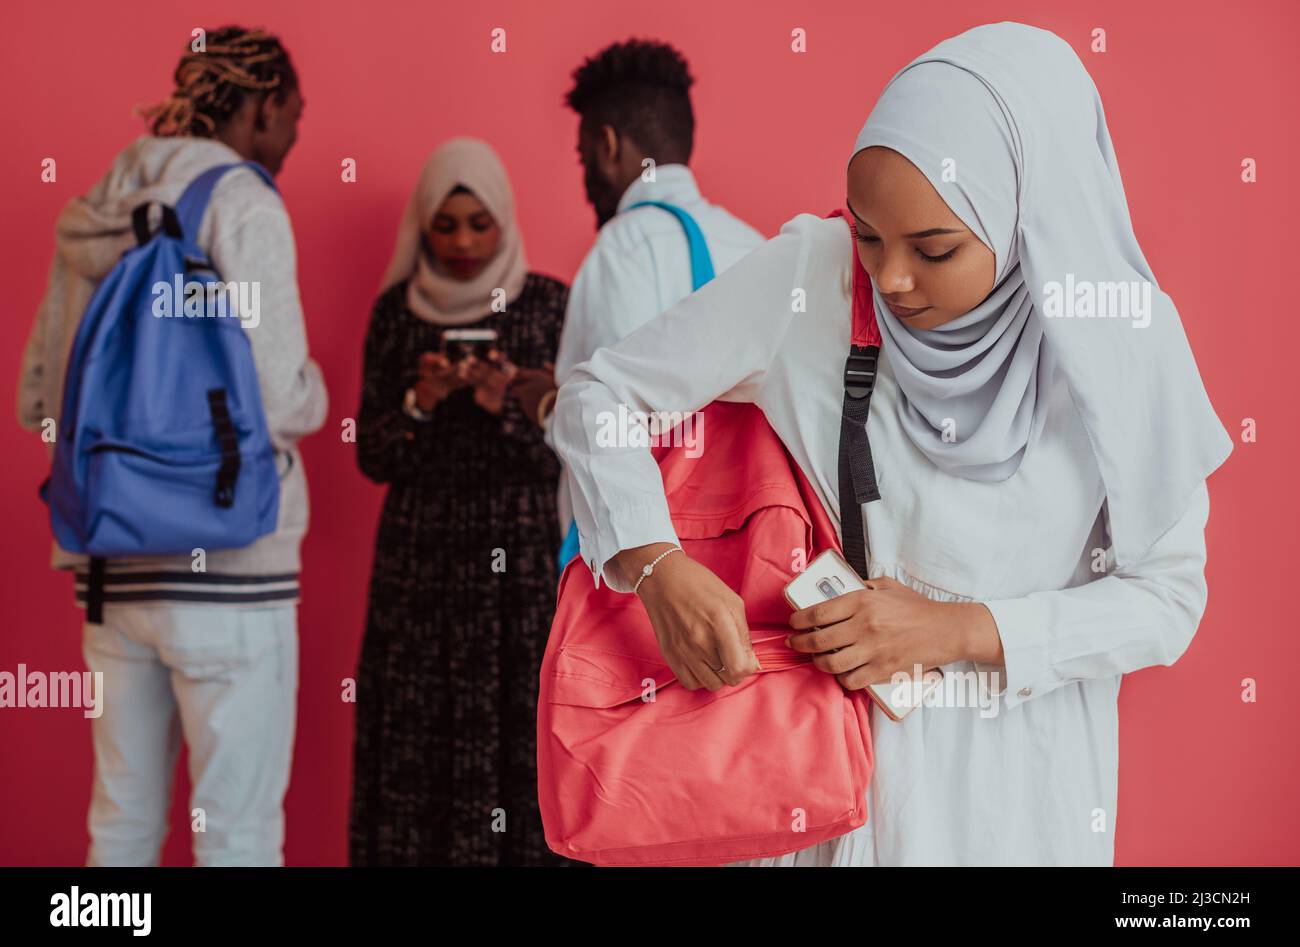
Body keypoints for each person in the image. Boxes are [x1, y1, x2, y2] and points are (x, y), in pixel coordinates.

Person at [550, 22, 1232, 866]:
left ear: (1026, 215)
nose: (892, 278)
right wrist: (654, 566)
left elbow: (1168, 603)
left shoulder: (1124, 338)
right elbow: (596, 396)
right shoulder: (816, 274)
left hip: (1027, 801)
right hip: (837, 788)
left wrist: (961, 630)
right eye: (871, 234)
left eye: (934, 248)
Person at [15, 27, 327, 866]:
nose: (295, 138)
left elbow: (38, 401)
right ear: (262, 108)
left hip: (111, 570)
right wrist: (318, 391)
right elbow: (276, 397)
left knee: (120, 821)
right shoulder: (245, 202)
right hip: (231, 569)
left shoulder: (91, 207)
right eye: (292, 116)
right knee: (236, 832)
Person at [349, 137, 573, 866]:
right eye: (445, 225)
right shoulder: (396, 314)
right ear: (422, 226)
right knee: (418, 745)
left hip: (520, 575)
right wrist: (421, 400)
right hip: (420, 572)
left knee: (519, 737)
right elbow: (372, 455)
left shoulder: (548, 304)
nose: (465, 242)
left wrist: (507, 400)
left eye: (480, 223)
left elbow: (574, 452)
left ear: (505, 219)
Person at [511, 39, 764, 569]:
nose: (586, 179)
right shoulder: (755, 246)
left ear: (607, 145)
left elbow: (612, 429)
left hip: (654, 564)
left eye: (584, 157)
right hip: (746, 546)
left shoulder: (620, 249)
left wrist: (544, 404)